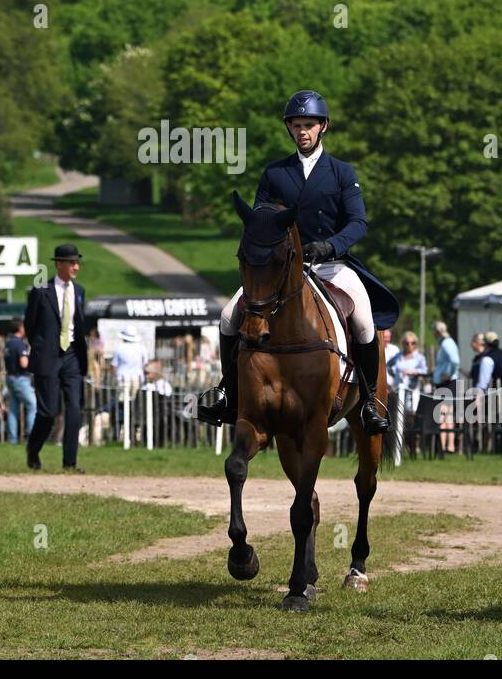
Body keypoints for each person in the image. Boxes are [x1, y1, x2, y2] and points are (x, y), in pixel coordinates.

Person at [198, 89, 400, 435]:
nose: (302, 131)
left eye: (309, 125)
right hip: (281, 269)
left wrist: (330, 245)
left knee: (365, 322)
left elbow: (358, 222)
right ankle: (229, 393)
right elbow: (260, 220)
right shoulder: (275, 174)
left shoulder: (340, 172)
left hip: (331, 264)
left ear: (323, 127)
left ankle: (369, 402)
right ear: (289, 129)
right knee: (229, 316)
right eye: (296, 125)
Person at [23, 243, 90, 473]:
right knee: (48, 412)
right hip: (48, 355)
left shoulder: (79, 291)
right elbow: (29, 324)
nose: (76, 267)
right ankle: (33, 449)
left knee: (74, 409)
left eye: (77, 262)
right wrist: (41, 346)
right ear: (59, 264)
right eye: (72, 262)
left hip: (72, 354)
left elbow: (80, 324)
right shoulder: (41, 290)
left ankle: (70, 462)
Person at [3, 319, 36, 444]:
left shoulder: (9, 343)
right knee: (33, 406)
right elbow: (24, 363)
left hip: (10, 377)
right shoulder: (20, 344)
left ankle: (12, 439)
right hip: (20, 379)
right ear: (20, 328)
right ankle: (32, 437)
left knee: (13, 409)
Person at [433, 321, 461, 453]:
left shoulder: (446, 343)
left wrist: (448, 373)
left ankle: (445, 447)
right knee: (447, 415)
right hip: (447, 383)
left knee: (443, 414)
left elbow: (455, 360)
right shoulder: (447, 342)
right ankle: (448, 446)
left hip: (447, 383)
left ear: (437, 331)